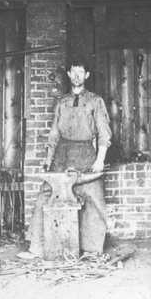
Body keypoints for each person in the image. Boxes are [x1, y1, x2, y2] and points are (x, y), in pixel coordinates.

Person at [19, 59, 112, 259]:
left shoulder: (96, 101)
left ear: (87, 75)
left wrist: (100, 160)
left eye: (81, 72)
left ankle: (92, 249)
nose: (77, 76)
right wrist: (48, 158)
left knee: (92, 196)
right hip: (62, 154)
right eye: (73, 72)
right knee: (47, 193)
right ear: (69, 75)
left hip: (85, 152)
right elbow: (54, 133)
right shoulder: (61, 102)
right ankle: (36, 247)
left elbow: (104, 133)